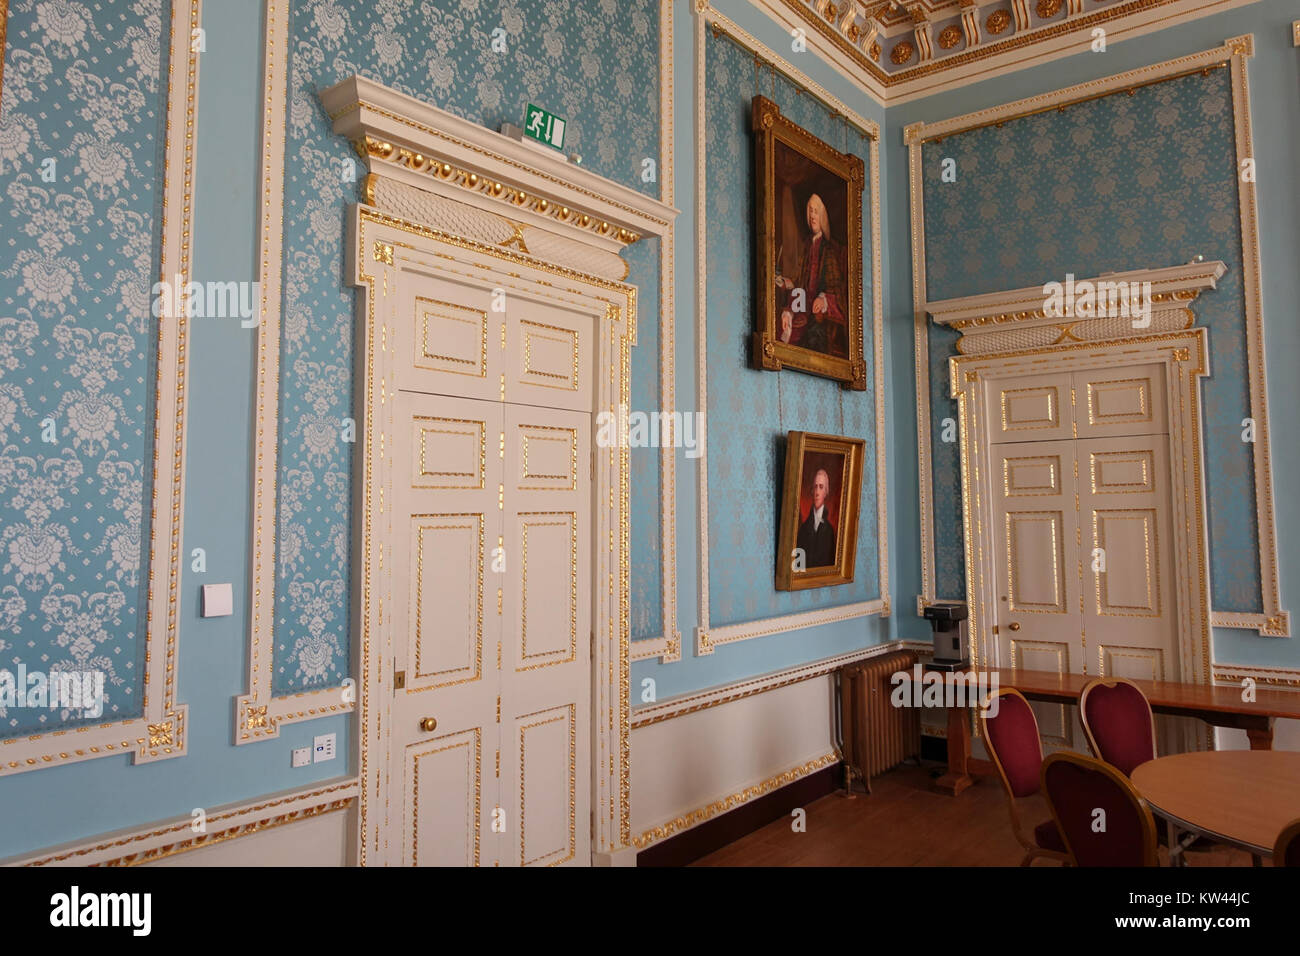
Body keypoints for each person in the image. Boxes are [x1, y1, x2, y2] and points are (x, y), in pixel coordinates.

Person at [775, 193, 848, 357]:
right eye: (810, 212)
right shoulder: (806, 247)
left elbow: (836, 286)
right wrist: (789, 309)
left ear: (822, 215)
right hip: (802, 306)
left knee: (810, 339)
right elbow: (799, 283)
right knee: (782, 326)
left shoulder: (829, 249)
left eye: (815, 211)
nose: (812, 216)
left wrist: (823, 299)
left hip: (817, 313)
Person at [796, 467, 836, 568]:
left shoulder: (830, 531)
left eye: (821, 487)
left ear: (826, 492)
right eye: (815, 487)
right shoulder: (803, 529)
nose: (817, 492)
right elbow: (798, 565)